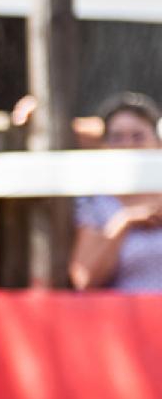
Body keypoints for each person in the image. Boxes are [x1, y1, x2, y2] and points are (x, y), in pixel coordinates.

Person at [71, 93, 162, 292]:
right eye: (117, 138)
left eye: (138, 137)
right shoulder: (96, 203)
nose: (127, 145)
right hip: (123, 317)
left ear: (158, 144)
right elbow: (84, 279)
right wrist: (124, 223)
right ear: (104, 147)